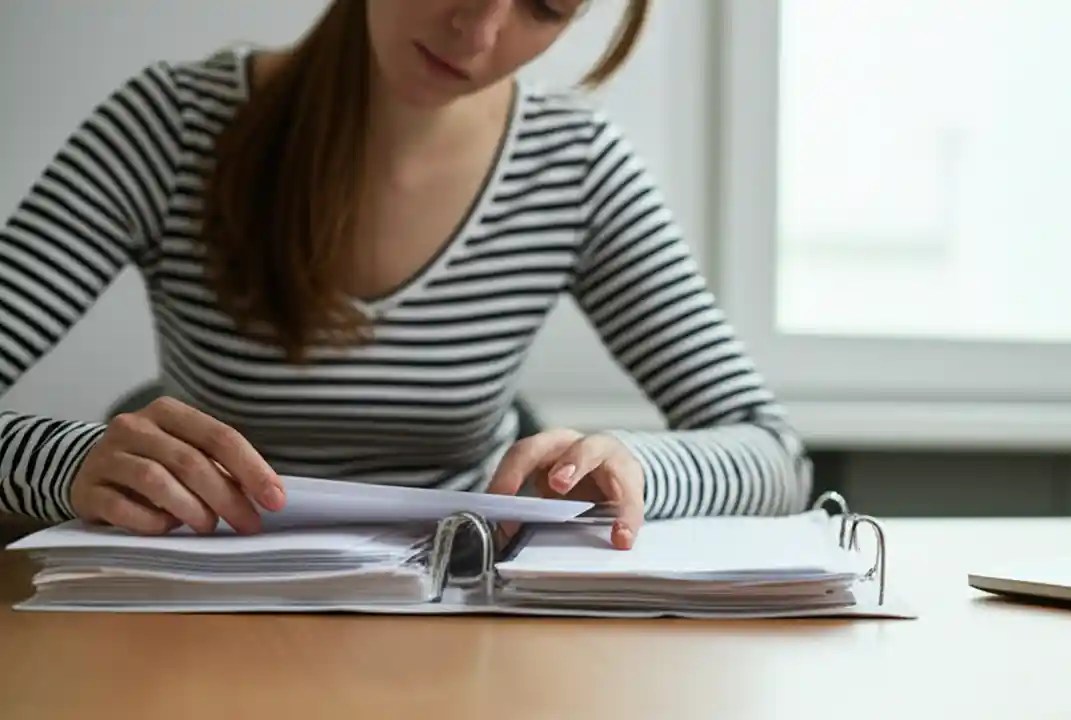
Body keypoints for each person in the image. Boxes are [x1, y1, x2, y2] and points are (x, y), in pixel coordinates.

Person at [0, 0, 810, 550]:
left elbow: (775, 455)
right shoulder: (169, 128)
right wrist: (66, 463)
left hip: (462, 619)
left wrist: (636, 469)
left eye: (545, 5)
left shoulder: (574, 169)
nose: (478, 29)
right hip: (195, 618)